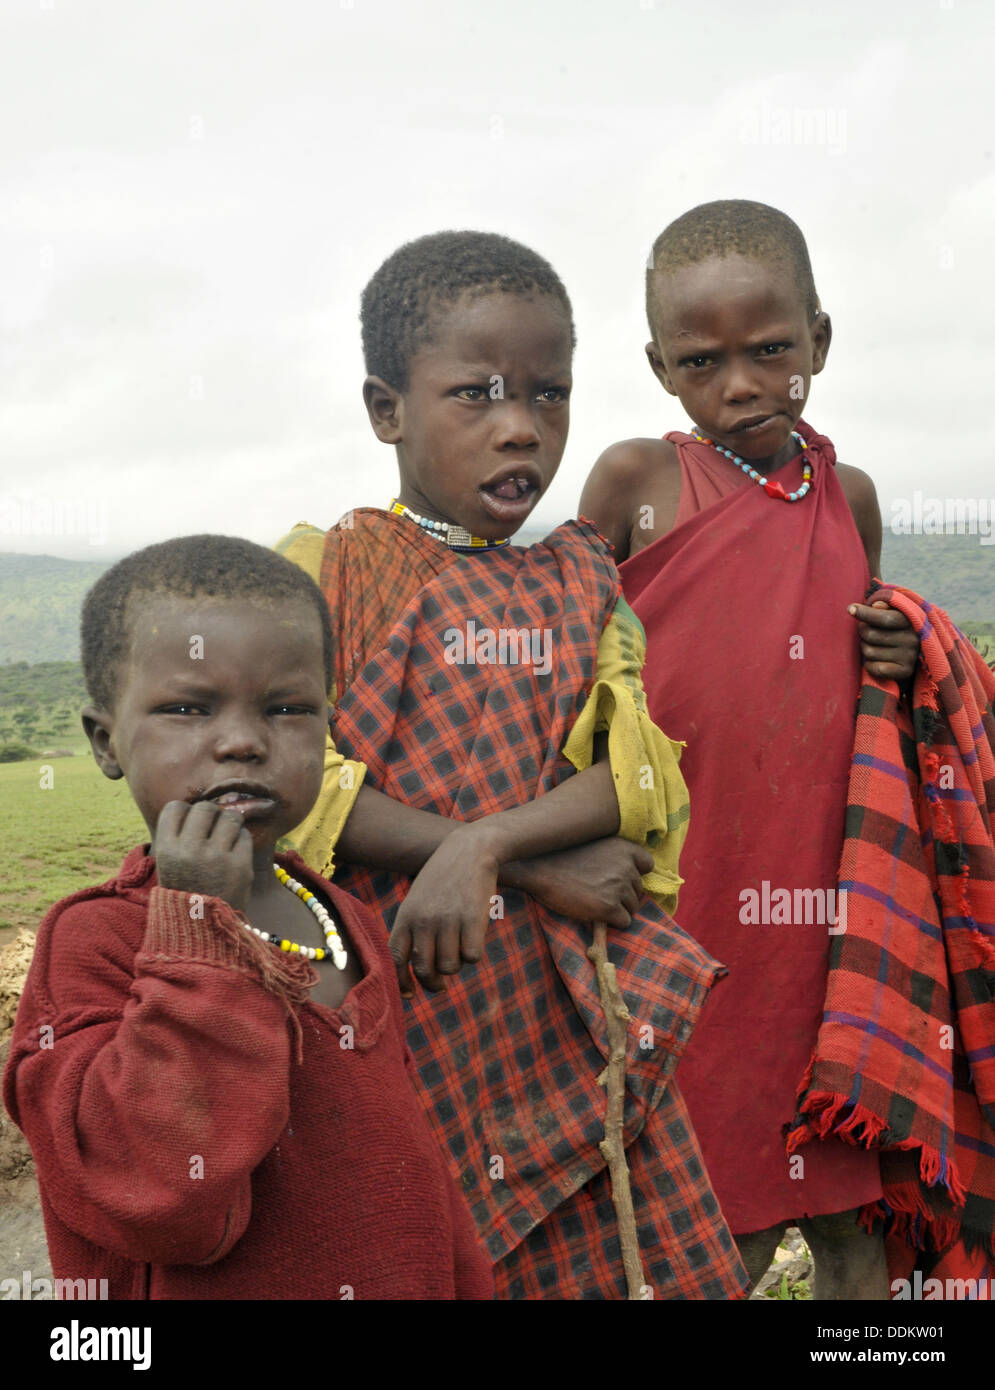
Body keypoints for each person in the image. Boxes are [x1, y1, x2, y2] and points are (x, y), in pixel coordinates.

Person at [277, 230, 748, 1300]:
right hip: (409, 988)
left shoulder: (582, 575)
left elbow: (636, 779)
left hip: (565, 1006)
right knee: (432, 1252)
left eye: (548, 395)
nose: (520, 429)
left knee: (623, 1252)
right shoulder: (334, 571)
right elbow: (294, 783)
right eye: (475, 396)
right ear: (385, 409)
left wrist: (486, 842)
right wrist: (524, 865)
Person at [2, 535, 493, 1300]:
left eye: (288, 708)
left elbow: (413, 1166)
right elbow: (160, 1195)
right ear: (106, 742)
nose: (241, 741)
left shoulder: (344, 918)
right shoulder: (96, 941)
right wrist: (198, 925)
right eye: (187, 709)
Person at [579, 200, 921, 1298]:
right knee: (709, 1223)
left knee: (851, 1218)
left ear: (818, 340)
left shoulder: (848, 497)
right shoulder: (635, 483)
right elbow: (574, 679)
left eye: (769, 350)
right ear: (657, 366)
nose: (738, 384)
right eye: (700, 360)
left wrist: (903, 648)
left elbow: (864, 672)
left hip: (826, 912)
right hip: (689, 909)